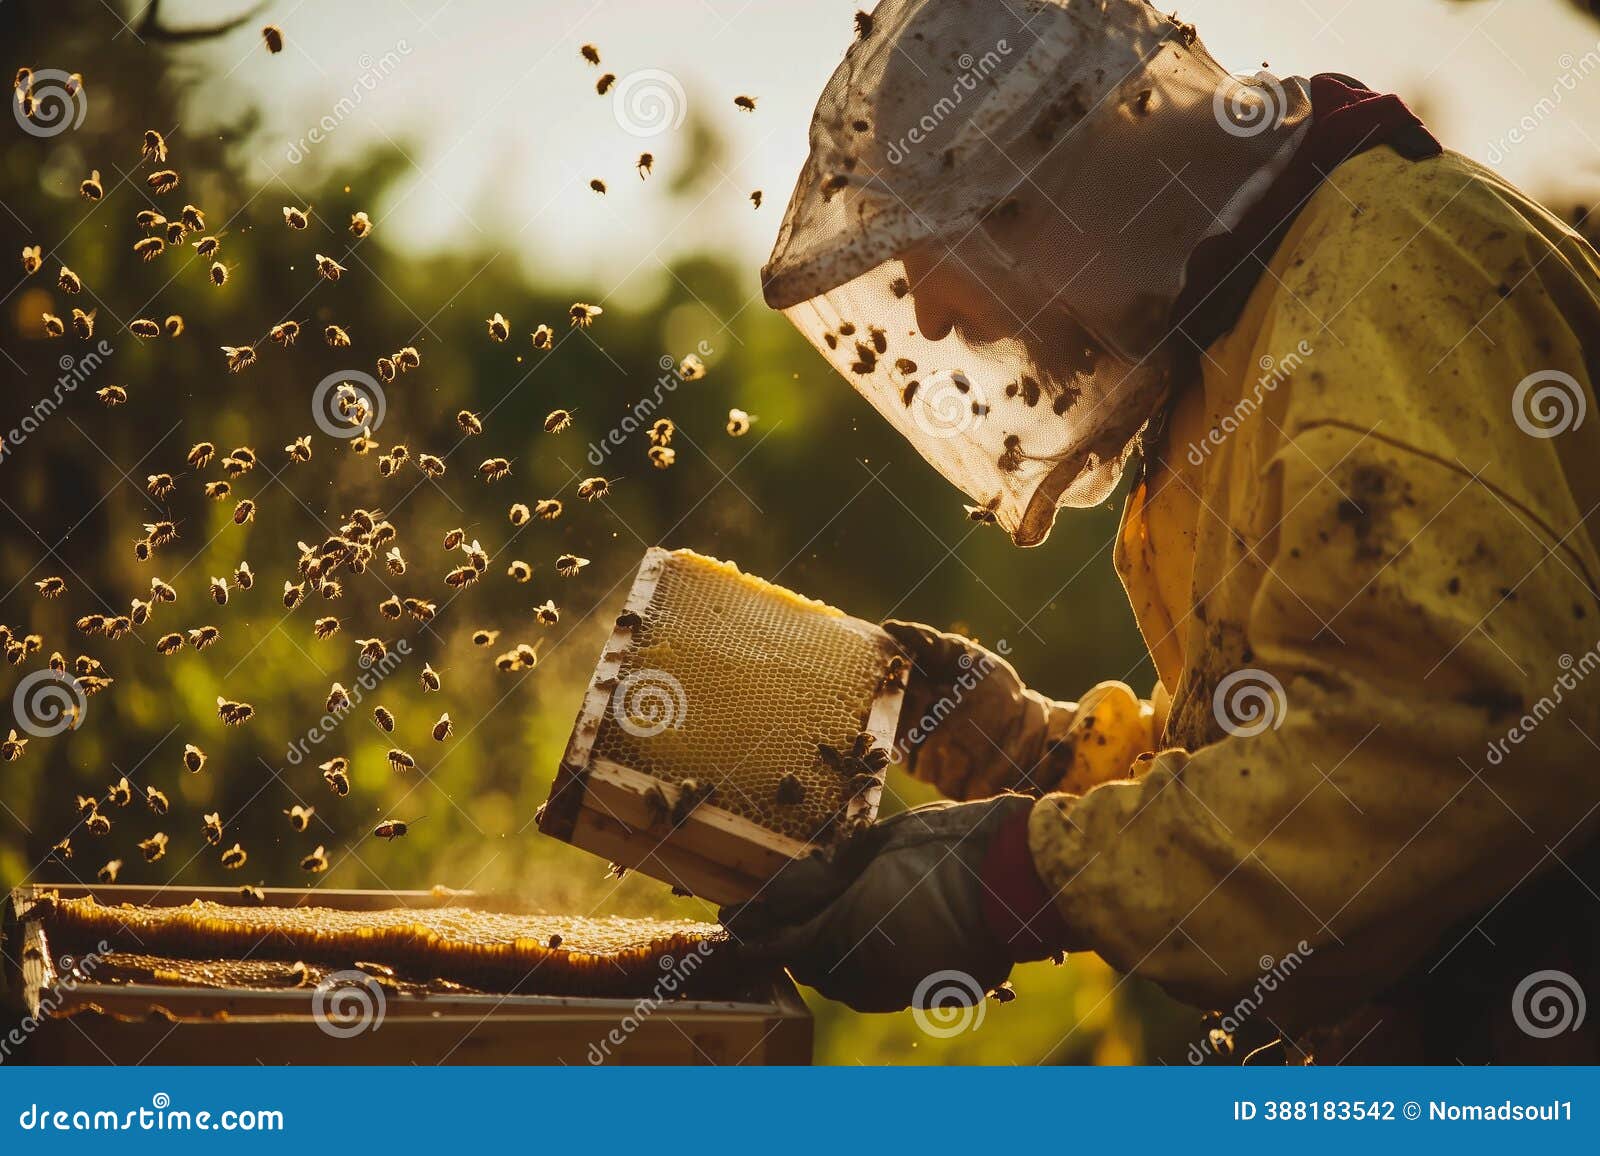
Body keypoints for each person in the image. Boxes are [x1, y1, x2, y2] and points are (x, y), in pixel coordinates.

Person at [737, 0, 1600, 1063]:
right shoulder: (1262, 317)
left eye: (927, 257)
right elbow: (1289, 746)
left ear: (1039, 193)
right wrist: (1039, 755)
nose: (927, 325)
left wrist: (1010, 877)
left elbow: (1442, 747)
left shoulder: (1387, 284)